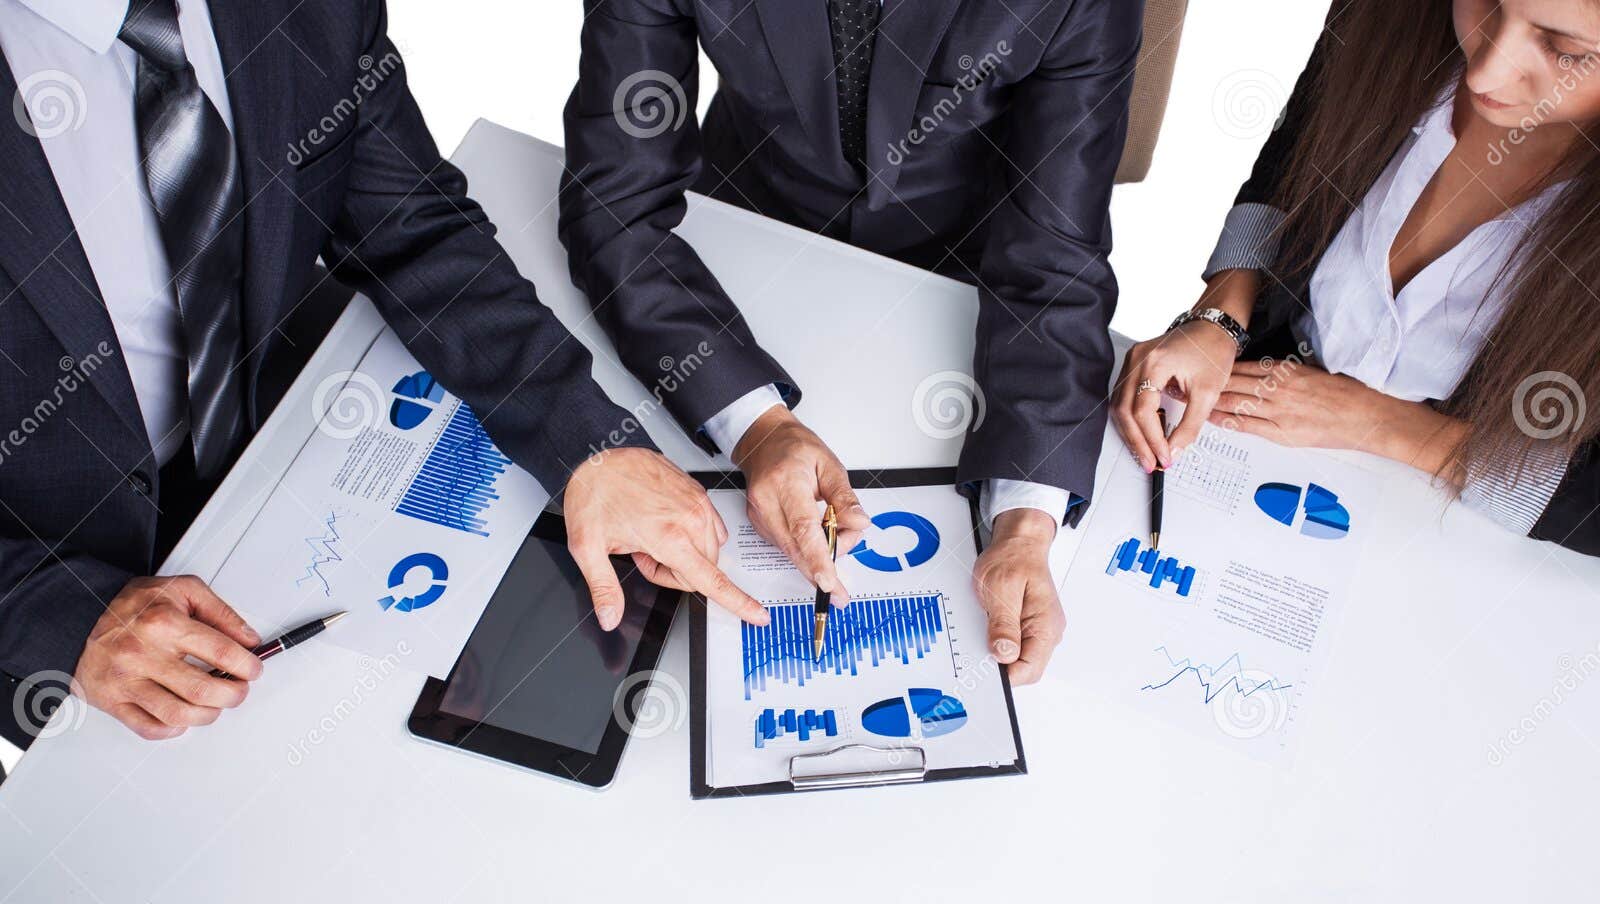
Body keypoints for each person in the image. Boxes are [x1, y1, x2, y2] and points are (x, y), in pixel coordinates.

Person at [0, 0, 767, 748]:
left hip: (292, 454)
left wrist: (588, 443)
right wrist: (64, 614)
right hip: (52, 569)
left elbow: (412, 227)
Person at [559, 0, 1143, 684]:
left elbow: (1053, 258)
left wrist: (1025, 518)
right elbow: (615, 206)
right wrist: (756, 426)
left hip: (958, 279)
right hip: (742, 241)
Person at [1114, 0, 1600, 557]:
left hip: (1451, 543)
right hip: (1252, 430)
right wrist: (1219, 316)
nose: (1485, 70)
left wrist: (1384, 426)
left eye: (1568, 51)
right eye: (1485, 3)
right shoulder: (1385, 15)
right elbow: (1296, 153)